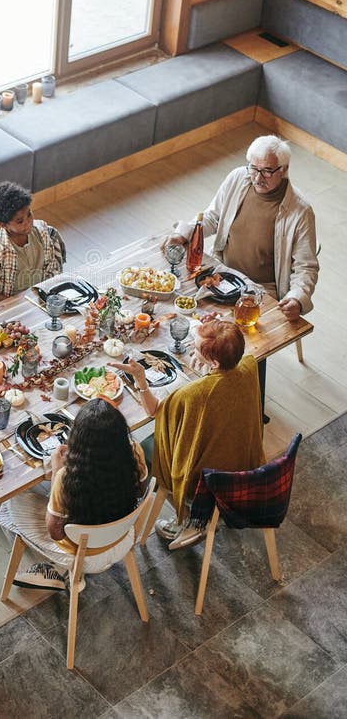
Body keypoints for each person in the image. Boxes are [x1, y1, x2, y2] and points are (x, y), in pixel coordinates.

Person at [115, 319, 264, 551]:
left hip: (206, 481)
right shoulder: (249, 365)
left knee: (138, 453)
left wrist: (141, 380)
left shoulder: (192, 395)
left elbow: (154, 410)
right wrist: (207, 362)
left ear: (214, 361)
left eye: (196, 348)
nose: (192, 349)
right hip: (242, 462)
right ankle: (195, 517)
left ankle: (188, 518)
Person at [0, 398, 148, 589]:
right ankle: (56, 570)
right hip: (123, 538)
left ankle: (51, 569)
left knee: (9, 502)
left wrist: (57, 472)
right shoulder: (134, 451)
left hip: (82, 556)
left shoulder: (67, 477)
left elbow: (55, 533)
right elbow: (141, 490)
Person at [164, 135, 318, 321]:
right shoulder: (238, 177)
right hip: (220, 273)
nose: (258, 178)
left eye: (267, 171)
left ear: (284, 169)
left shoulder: (301, 211)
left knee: (226, 334)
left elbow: (305, 267)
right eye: (254, 168)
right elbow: (213, 217)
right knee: (177, 307)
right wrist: (183, 233)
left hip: (260, 290)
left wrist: (297, 298)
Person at [0, 181, 65, 311]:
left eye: (29, 214)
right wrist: (20, 306)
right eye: (20, 221)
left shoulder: (42, 232)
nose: (28, 222)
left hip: (39, 298)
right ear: (4, 225)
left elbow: (52, 269)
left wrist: (45, 297)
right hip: (12, 307)